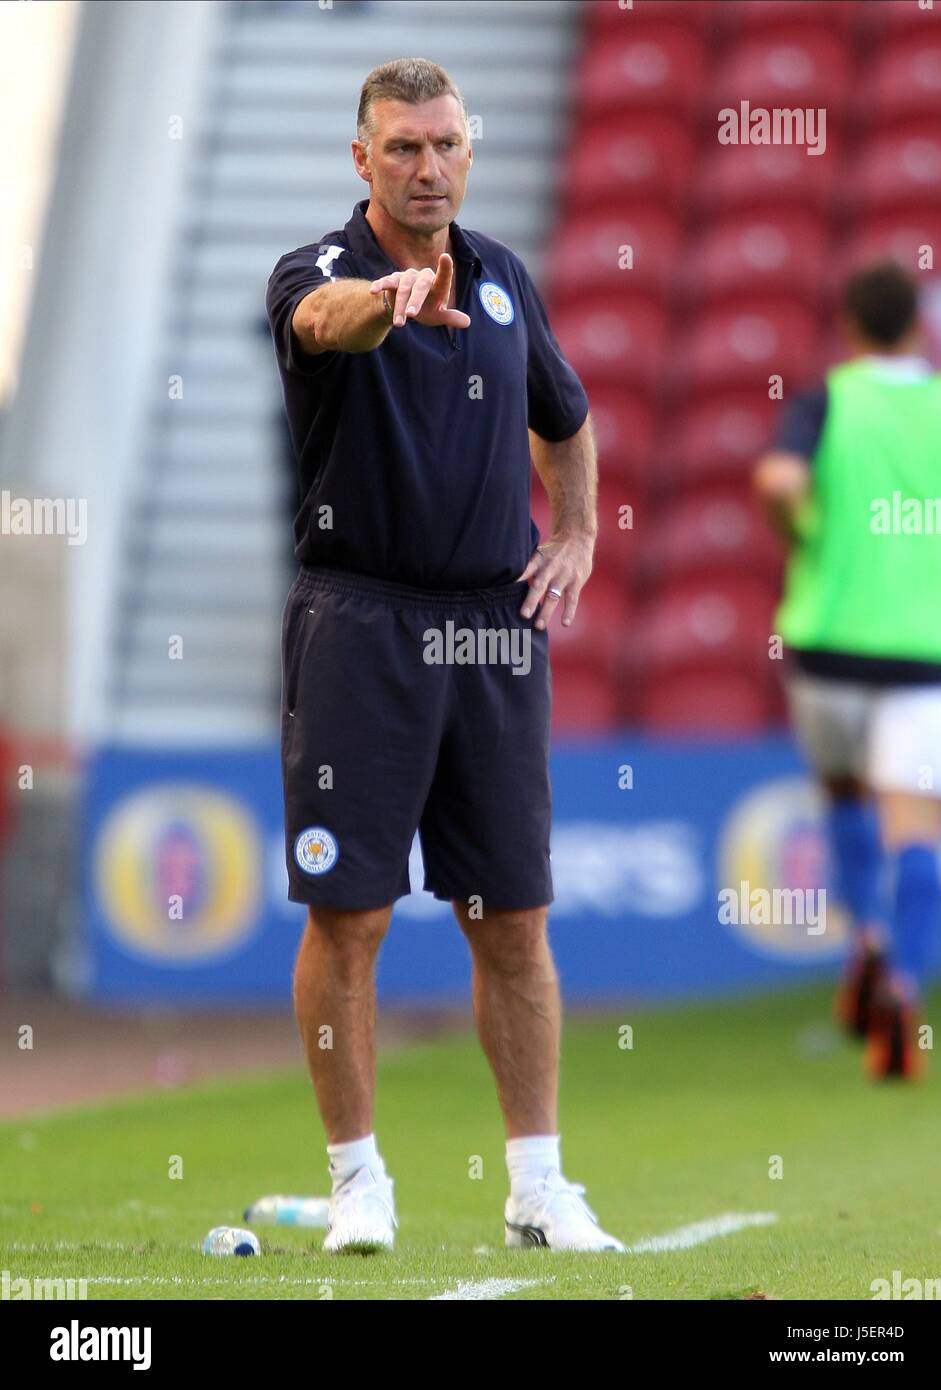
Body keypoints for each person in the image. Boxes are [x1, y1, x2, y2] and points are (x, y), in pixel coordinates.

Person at [265, 58, 619, 1251]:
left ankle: (538, 1187)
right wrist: (392, 302)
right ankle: (359, 1181)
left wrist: (574, 529)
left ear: (472, 152)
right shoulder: (321, 273)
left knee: (512, 918)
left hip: (492, 630)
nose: (428, 167)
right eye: (404, 147)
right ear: (360, 157)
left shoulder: (510, 278)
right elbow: (324, 324)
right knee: (348, 917)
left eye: (447, 145)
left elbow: (565, 419)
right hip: (360, 621)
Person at [753, 262, 941, 1081]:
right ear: (920, 325)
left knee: (841, 796)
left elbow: (777, 478)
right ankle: (902, 982)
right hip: (925, 656)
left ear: (849, 324)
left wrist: (800, 535)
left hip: (828, 645)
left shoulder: (825, 401)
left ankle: (863, 936)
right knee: (917, 831)